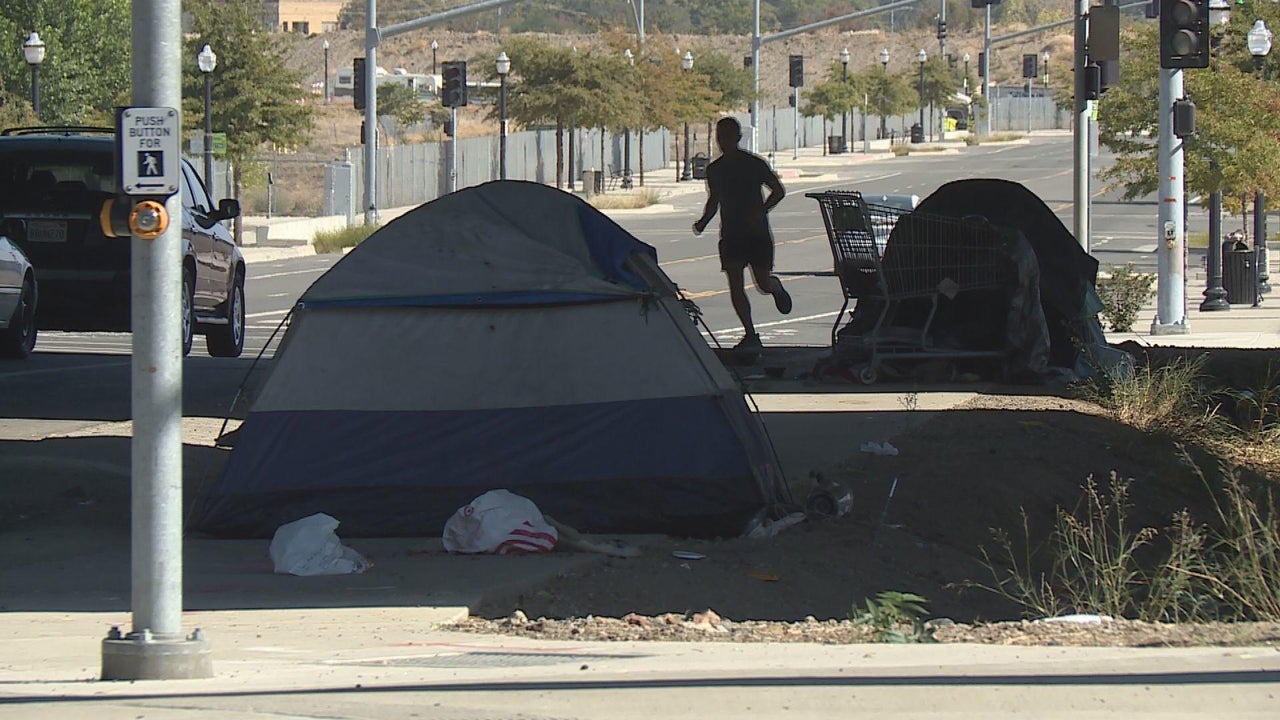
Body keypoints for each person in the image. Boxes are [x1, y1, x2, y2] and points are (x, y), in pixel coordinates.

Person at [692, 116, 792, 354]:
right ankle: (750, 333)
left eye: (727, 136)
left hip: (756, 234)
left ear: (737, 137)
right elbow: (714, 200)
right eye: (719, 136)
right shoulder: (714, 170)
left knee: (762, 282)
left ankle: (775, 288)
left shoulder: (754, 164)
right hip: (731, 234)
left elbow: (778, 191)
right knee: (735, 284)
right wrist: (703, 222)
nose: (722, 141)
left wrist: (761, 211)